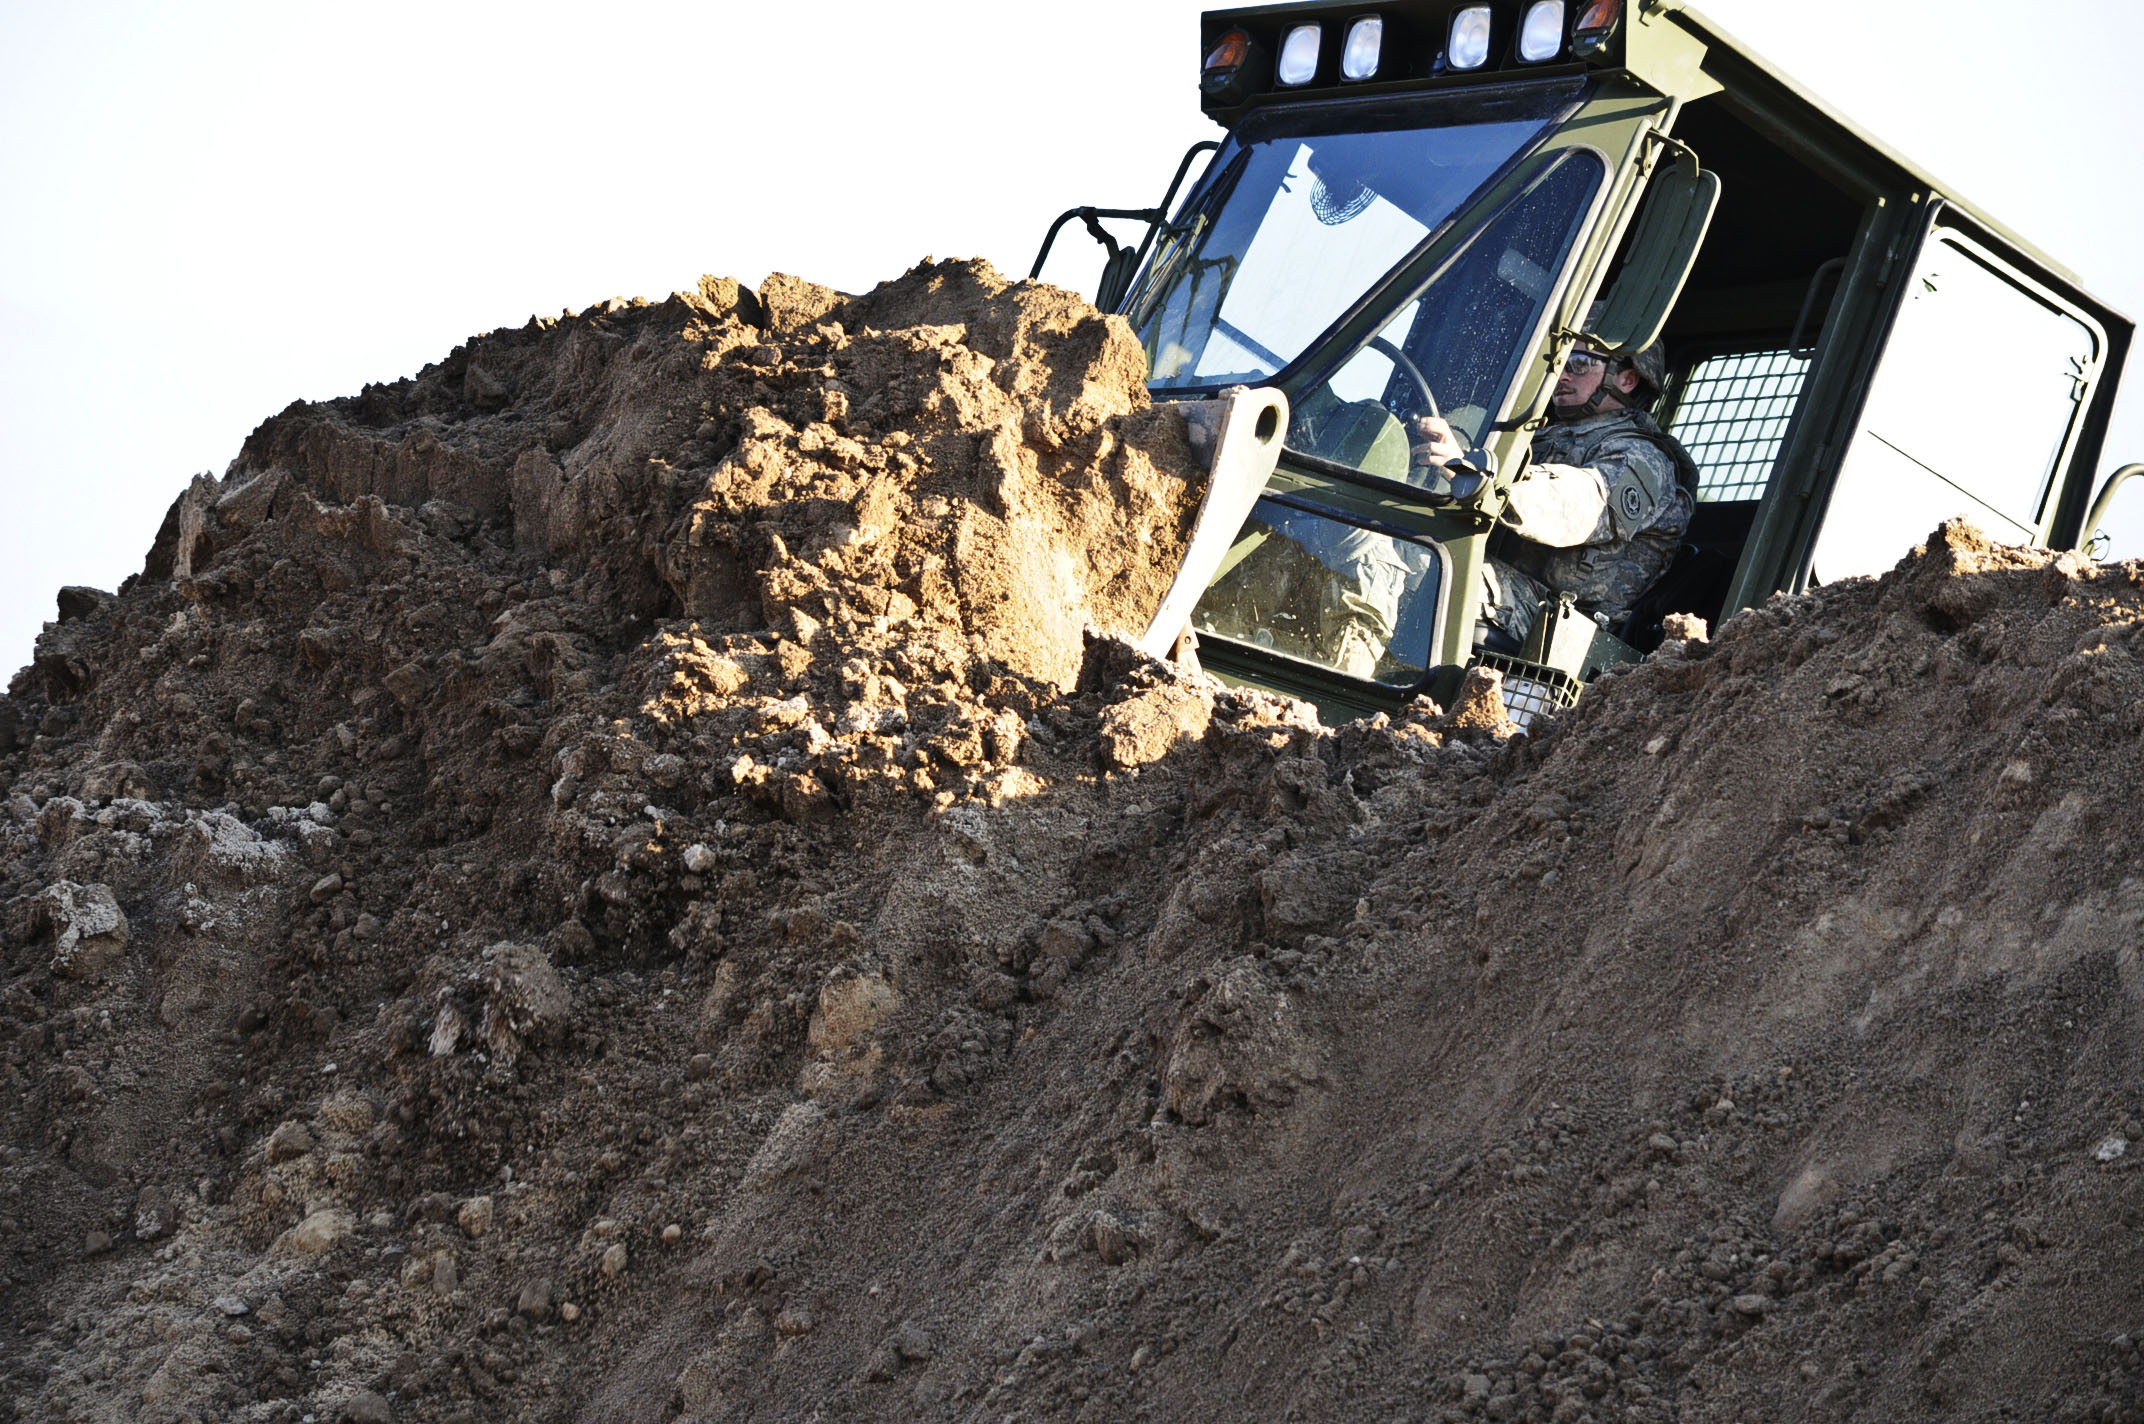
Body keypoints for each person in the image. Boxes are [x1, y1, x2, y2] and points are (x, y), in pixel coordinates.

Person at [1413, 321, 1700, 649]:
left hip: (1558, 625)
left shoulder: (1643, 457)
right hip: (1514, 593)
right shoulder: (1542, 433)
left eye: (1579, 364)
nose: (1563, 374)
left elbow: (1580, 505)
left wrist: (1476, 475)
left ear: (1627, 379)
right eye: (1561, 362)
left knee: (1428, 563)